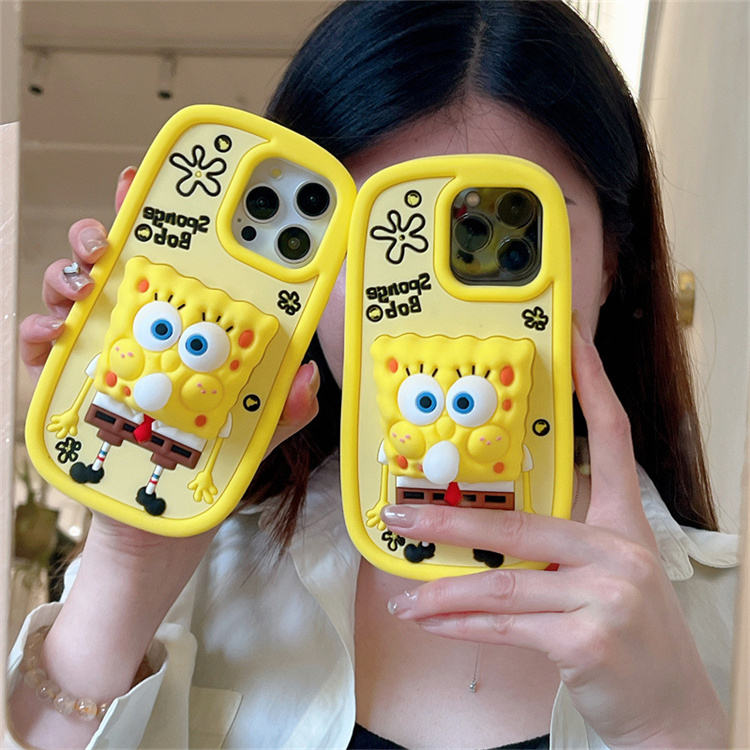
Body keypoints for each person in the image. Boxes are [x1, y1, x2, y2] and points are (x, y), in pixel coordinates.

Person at [8, 2, 739, 748]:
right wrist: (130, 565)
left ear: (613, 261)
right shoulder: (202, 575)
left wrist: (668, 724)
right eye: (368, 240)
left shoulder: (730, 617)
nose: (429, 319)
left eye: (503, 243)